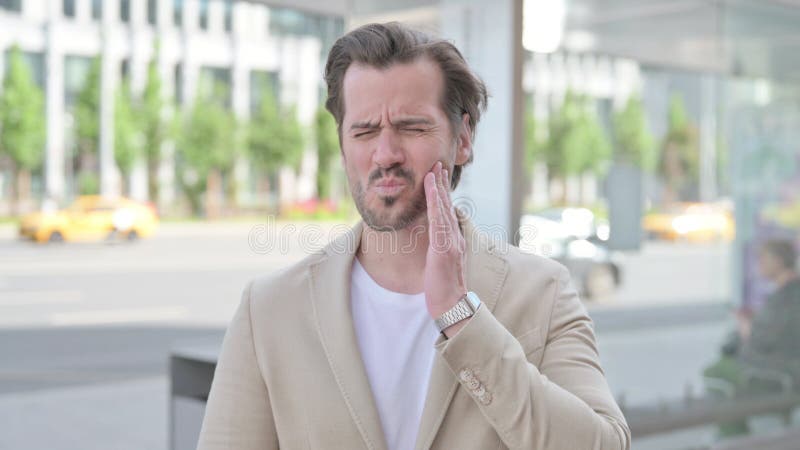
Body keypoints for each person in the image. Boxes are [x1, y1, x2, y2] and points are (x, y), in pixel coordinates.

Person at [197, 22, 630, 450]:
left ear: (463, 139)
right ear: (343, 144)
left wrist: (462, 316)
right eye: (364, 131)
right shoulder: (270, 310)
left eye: (412, 128)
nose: (385, 155)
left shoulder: (543, 293)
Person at [704, 238, 800, 436]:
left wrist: (747, 326)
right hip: (787, 368)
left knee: (715, 372)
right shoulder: (788, 294)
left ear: (778, 261)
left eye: (763, 259)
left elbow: (762, 340)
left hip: (777, 373)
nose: (759, 265)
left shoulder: (785, 298)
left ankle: (734, 437)